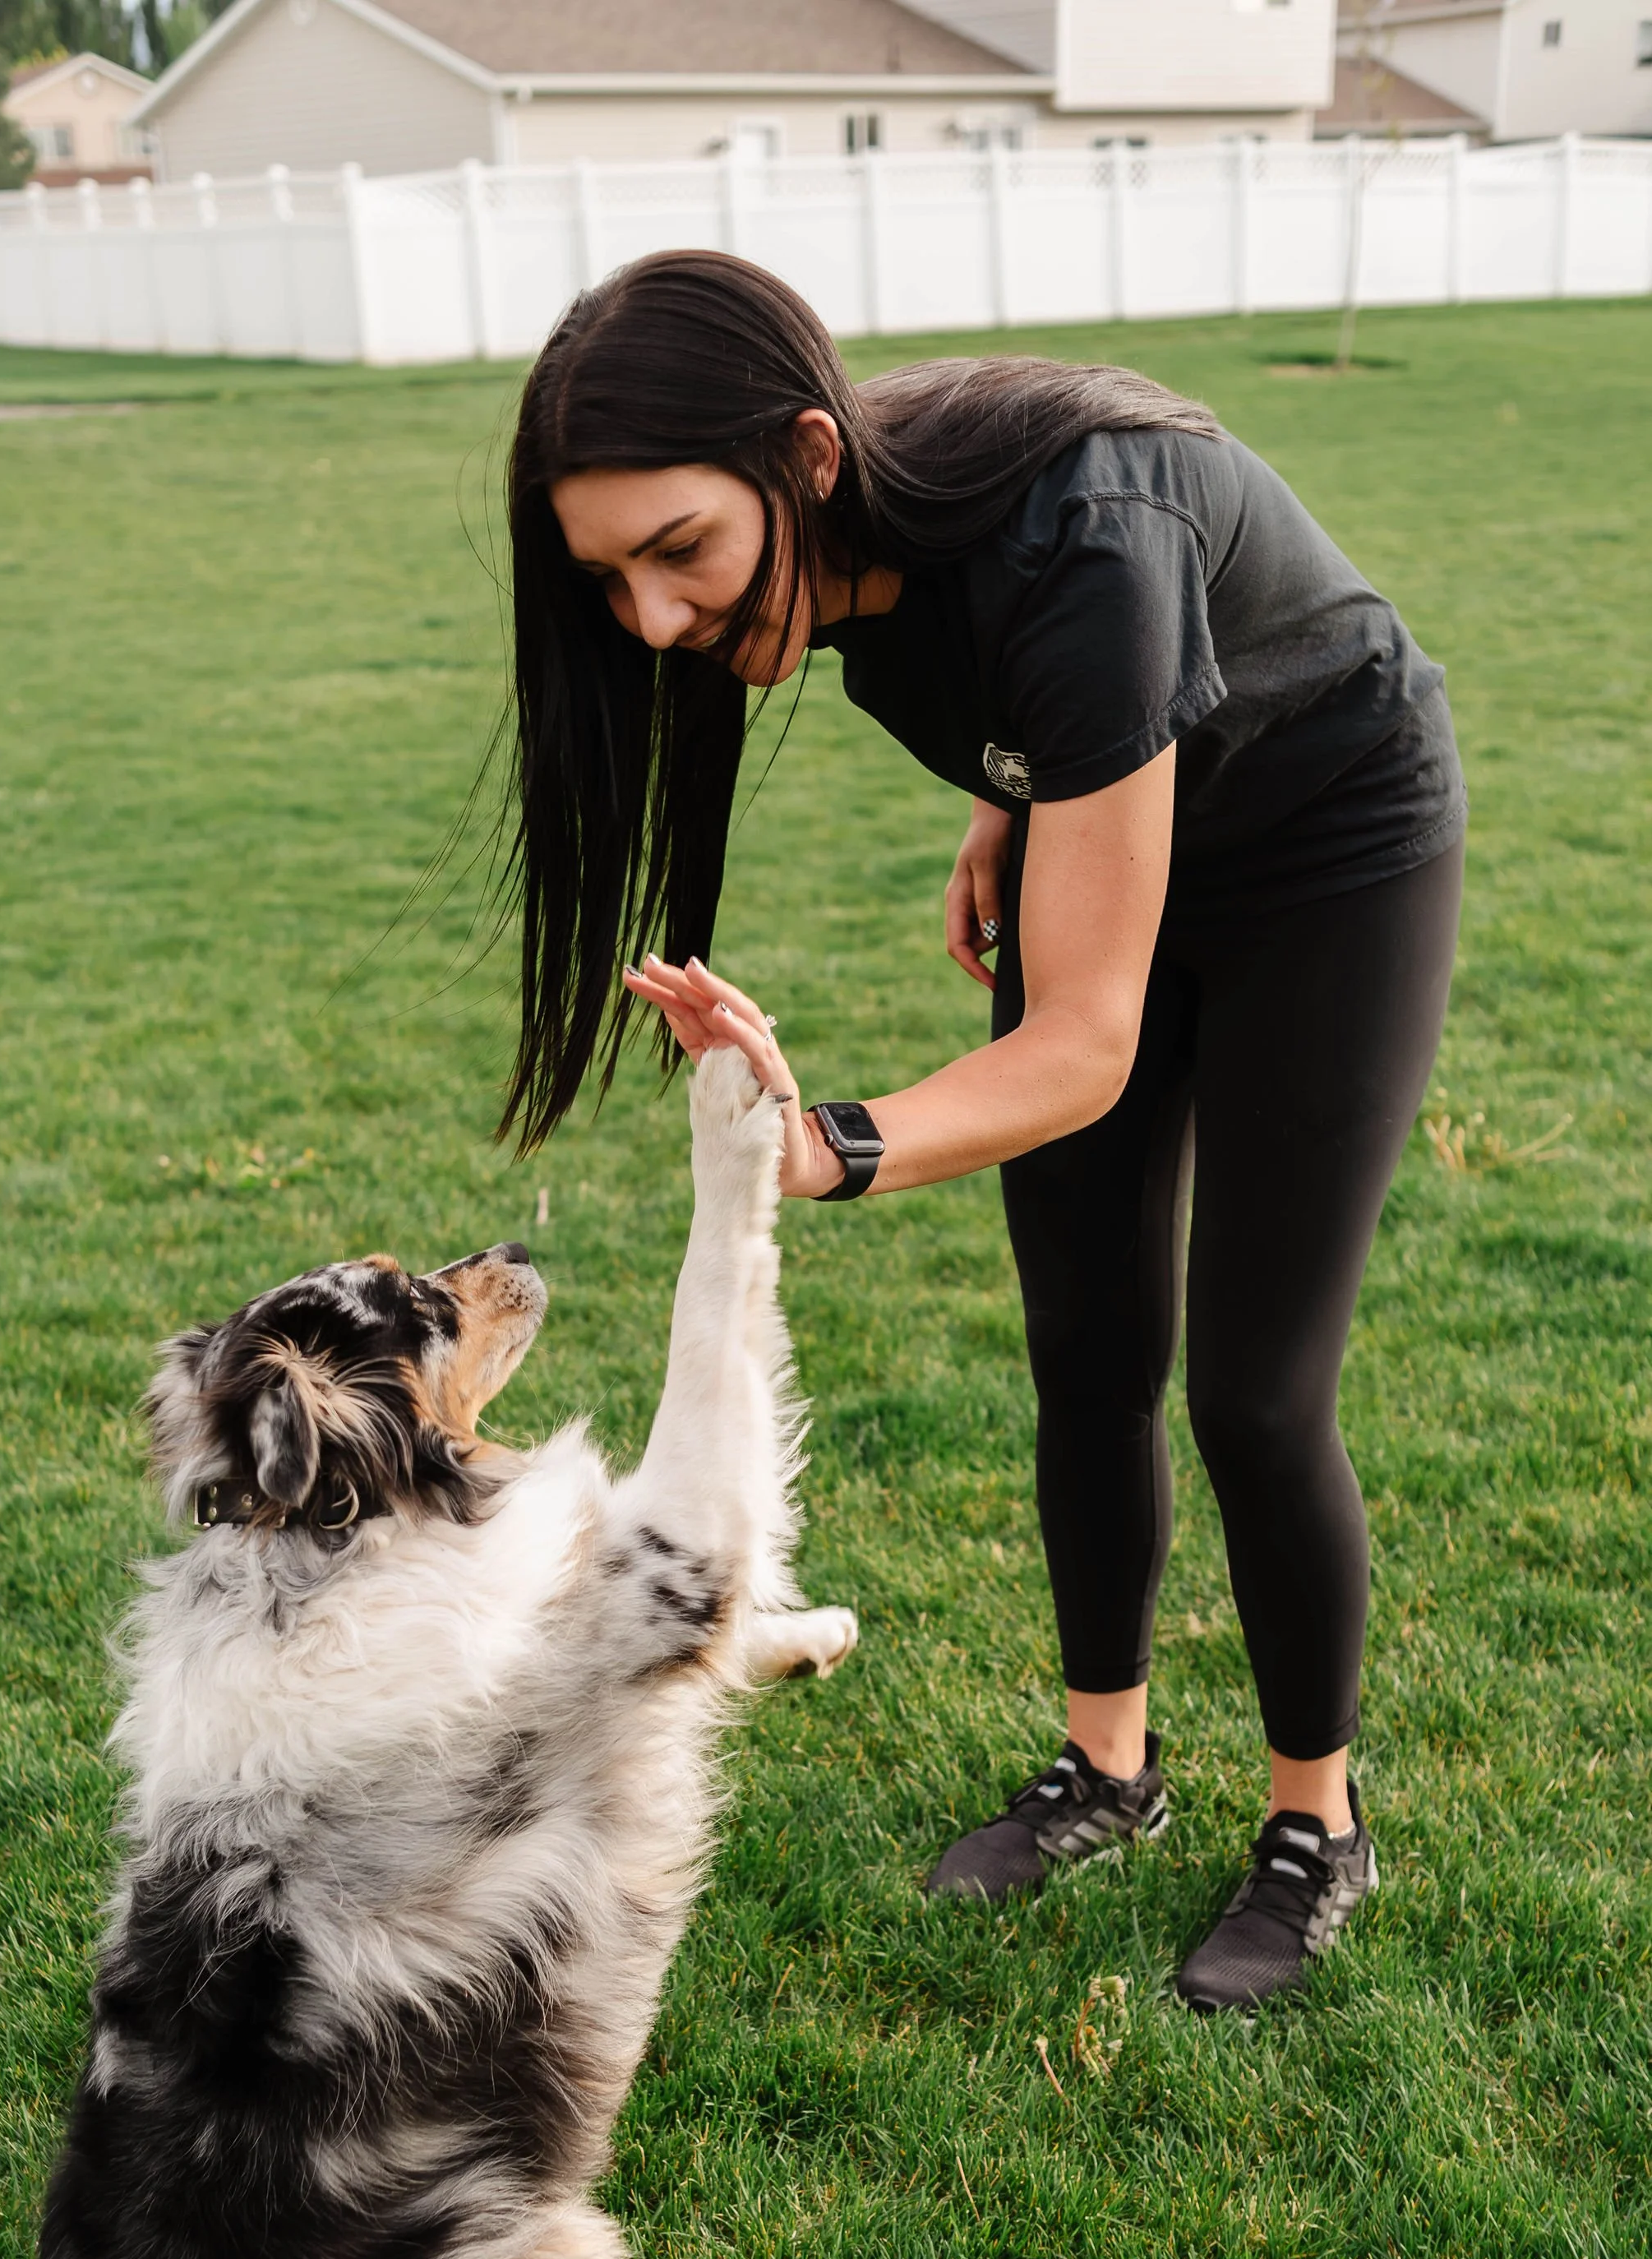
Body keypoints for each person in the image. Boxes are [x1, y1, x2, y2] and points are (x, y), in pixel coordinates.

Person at [499, 251, 1465, 2014]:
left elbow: (1079, 1047)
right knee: (1087, 1344)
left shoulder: (1079, 540)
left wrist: (825, 1143)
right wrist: (1010, 804)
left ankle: (1316, 1825)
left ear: (800, 455)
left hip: (1330, 847)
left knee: (1255, 1387)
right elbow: (1037, 687)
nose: (651, 621)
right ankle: (1108, 1771)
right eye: (609, 577)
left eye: (679, 553)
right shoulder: (858, 528)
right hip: (1122, 806)